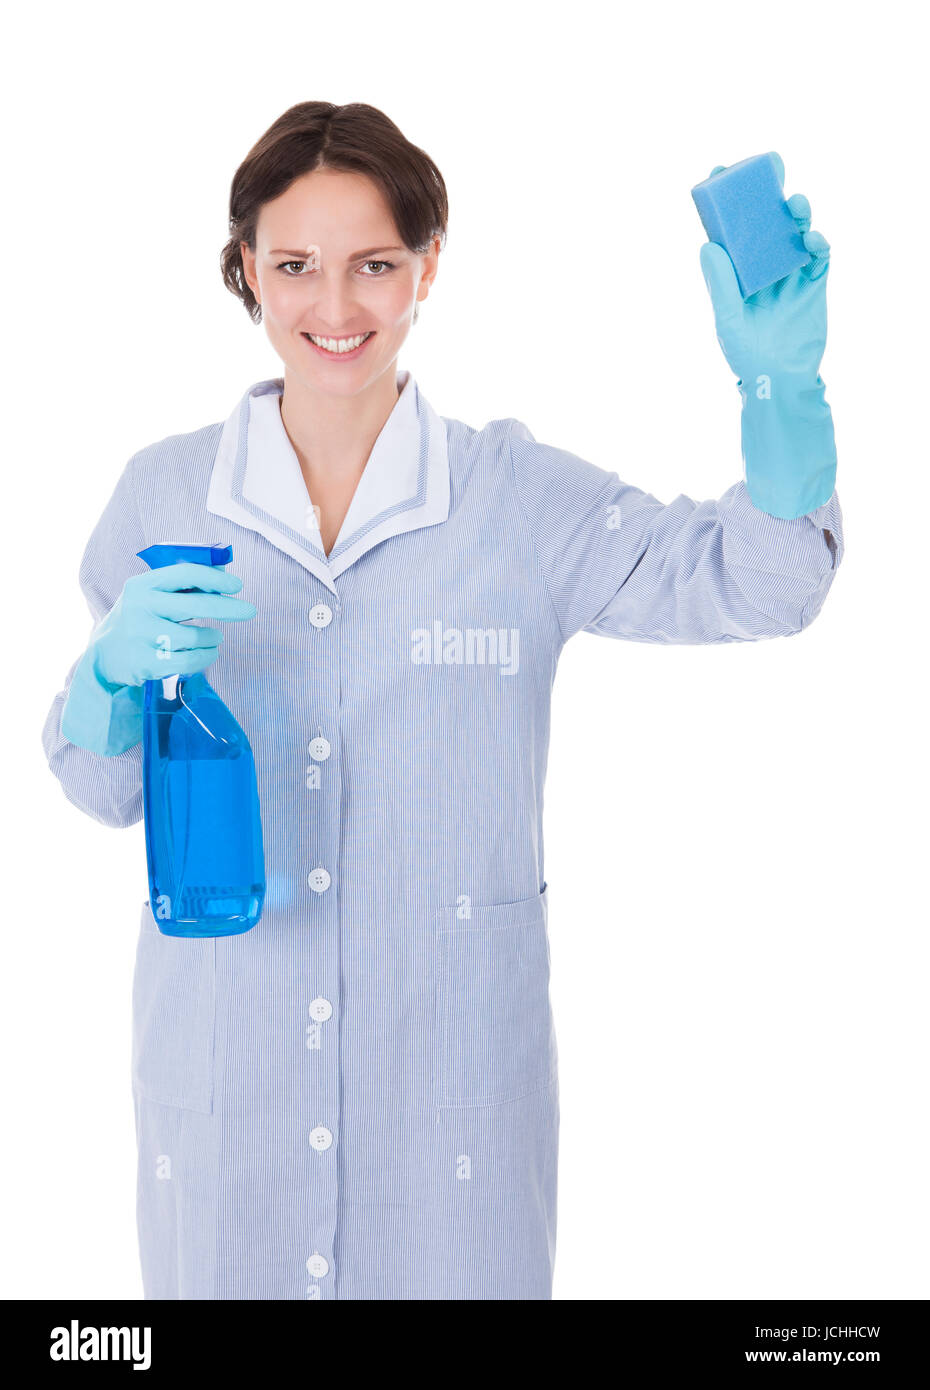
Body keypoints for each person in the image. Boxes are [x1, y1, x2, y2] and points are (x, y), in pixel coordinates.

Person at [41, 101, 844, 1301]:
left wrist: (784, 390)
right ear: (244, 269)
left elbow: (765, 582)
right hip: (227, 1107)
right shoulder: (163, 496)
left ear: (428, 268)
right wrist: (103, 680)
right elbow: (105, 788)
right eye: (296, 265)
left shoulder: (515, 500)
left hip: (453, 1134)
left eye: (375, 265)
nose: (336, 306)